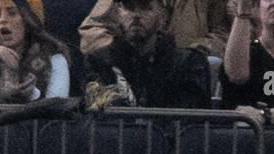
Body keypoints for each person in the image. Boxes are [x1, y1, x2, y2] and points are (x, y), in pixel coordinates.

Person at [79, 0, 274, 58]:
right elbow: (91, 31)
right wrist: (131, 53)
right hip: (136, 71)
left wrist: (190, 54)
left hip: (189, 75)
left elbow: (232, 31)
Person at [84, 0, 212, 109]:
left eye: (145, 8)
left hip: (168, 137)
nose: (136, 15)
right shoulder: (98, 62)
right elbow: (99, 118)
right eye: (129, 8)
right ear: (117, 14)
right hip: (118, 137)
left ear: (162, 15)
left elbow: (190, 122)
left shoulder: (189, 63)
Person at [0, 0, 69, 109]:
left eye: (12, 13)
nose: (3, 20)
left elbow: (56, 110)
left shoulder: (55, 60)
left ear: (27, 19)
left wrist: (32, 94)